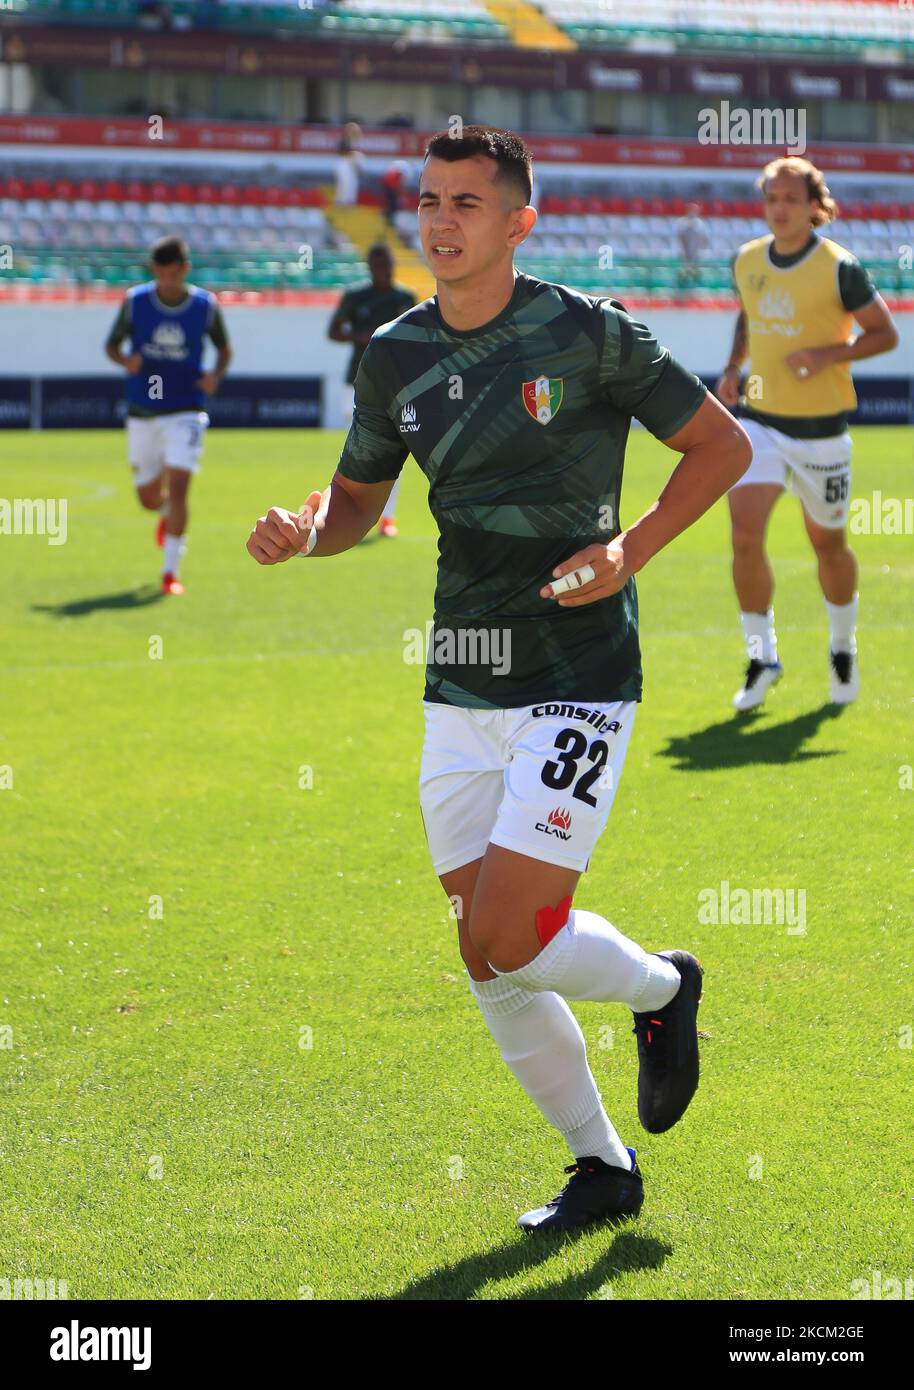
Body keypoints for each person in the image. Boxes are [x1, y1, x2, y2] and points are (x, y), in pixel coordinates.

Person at [248, 126, 751, 1234]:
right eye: (428, 200)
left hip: (580, 669)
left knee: (516, 930)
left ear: (519, 220)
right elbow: (358, 507)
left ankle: (665, 990)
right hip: (462, 672)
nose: (439, 221)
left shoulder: (589, 332)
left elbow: (719, 448)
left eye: (466, 203)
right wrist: (303, 528)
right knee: (480, 945)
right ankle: (600, 1165)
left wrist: (628, 552)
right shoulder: (391, 353)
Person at [717, 157, 898, 710]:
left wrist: (826, 354)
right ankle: (761, 655)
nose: (780, 208)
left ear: (815, 206)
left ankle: (842, 647)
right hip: (759, 422)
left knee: (829, 545)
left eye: (791, 199)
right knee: (744, 535)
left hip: (822, 434)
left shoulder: (840, 266)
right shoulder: (747, 259)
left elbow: (883, 333)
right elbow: (748, 317)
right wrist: (732, 367)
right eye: (772, 198)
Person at [105, 234, 232, 594]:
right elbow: (111, 344)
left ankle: (170, 572)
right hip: (143, 408)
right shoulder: (135, 302)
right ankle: (163, 515)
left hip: (186, 408)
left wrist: (215, 376)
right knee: (149, 498)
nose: (167, 281)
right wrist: (125, 360)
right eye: (161, 274)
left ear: (185, 270)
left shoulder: (205, 306)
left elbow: (224, 349)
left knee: (178, 489)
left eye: (173, 274)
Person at [326, 243, 415, 536]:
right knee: (358, 450)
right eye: (376, 265)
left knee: (393, 449)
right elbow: (334, 330)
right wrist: (357, 336)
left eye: (385, 265)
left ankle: (386, 517)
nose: (381, 271)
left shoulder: (405, 298)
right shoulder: (355, 297)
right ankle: (350, 513)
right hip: (356, 381)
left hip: (394, 383)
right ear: (369, 266)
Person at [674, 202, 710, 291]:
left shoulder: (700, 223)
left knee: (696, 272)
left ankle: (696, 289)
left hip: (696, 252)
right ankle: (682, 288)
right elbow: (679, 237)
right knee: (684, 272)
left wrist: (701, 249)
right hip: (684, 252)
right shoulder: (682, 222)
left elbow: (704, 239)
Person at [334, 121, 363, 208]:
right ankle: (341, 202)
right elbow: (342, 152)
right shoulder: (344, 140)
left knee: (352, 183)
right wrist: (353, 156)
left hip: (351, 163)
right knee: (345, 182)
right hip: (344, 162)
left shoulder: (355, 141)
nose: (355, 132)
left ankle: (350, 202)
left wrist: (356, 163)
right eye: (353, 130)